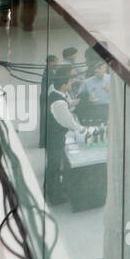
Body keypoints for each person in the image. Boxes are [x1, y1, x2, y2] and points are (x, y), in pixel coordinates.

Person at [43, 66, 88, 204]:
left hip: (51, 136)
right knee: (55, 166)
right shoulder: (60, 103)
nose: (71, 84)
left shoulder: (54, 94)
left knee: (53, 165)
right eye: (69, 82)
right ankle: (55, 197)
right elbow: (69, 122)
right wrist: (82, 129)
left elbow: (67, 107)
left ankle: (50, 191)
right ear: (64, 85)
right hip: (55, 138)